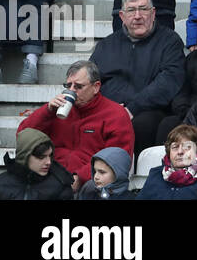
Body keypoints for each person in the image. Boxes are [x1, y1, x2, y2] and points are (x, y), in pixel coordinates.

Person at [18, 60, 134, 188]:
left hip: (91, 181)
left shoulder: (115, 114)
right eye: (68, 86)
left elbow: (117, 159)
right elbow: (23, 137)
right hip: (52, 175)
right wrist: (47, 111)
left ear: (96, 87)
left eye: (78, 87)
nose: (71, 91)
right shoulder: (56, 110)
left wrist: (80, 177)